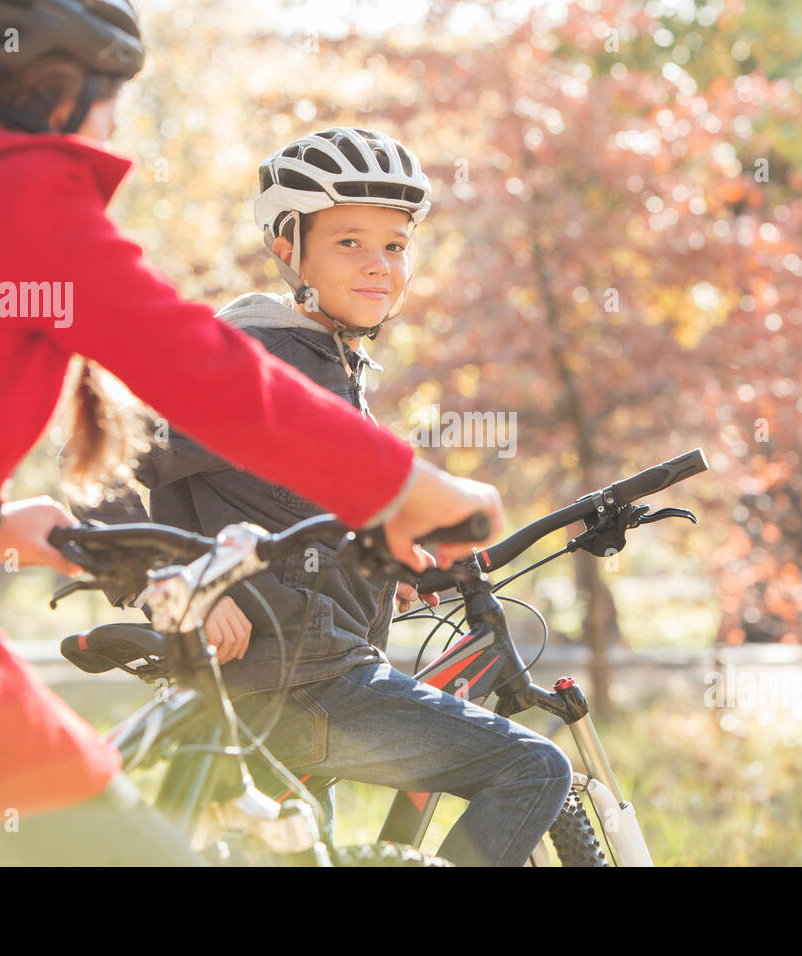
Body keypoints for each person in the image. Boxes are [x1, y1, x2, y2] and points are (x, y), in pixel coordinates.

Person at [0, 0, 500, 865]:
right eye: (113, 100)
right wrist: (411, 490)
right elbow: (197, 367)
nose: (116, 132)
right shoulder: (12, 188)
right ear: (54, 90)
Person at [87, 129, 572, 867]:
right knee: (533, 767)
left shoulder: (328, 361)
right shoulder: (265, 359)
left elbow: (277, 504)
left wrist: (379, 562)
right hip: (306, 680)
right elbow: (103, 461)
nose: (379, 264)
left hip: (303, 672)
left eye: (396, 246)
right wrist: (172, 584)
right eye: (350, 242)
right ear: (288, 247)